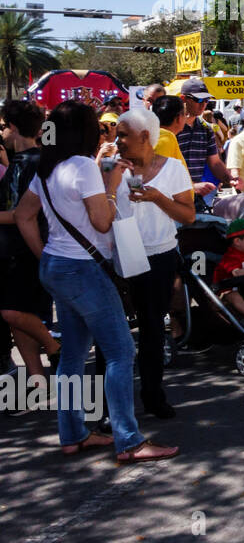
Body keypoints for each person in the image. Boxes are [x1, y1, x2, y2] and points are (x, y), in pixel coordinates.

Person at [13, 101, 178, 462]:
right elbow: (102, 222)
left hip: (57, 267)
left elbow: (24, 216)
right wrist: (111, 183)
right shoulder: (85, 167)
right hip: (83, 270)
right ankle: (129, 441)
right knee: (121, 351)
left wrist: (47, 255)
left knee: (73, 355)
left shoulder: (46, 168)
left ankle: (72, 433)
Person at [112, 107, 196, 418]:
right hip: (120, 254)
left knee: (151, 329)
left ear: (145, 137)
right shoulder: (111, 167)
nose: (117, 141)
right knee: (116, 332)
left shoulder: (173, 167)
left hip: (159, 256)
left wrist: (157, 197)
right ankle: (110, 408)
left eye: (124, 135)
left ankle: (152, 396)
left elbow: (188, 215)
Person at [0, 100, 59, 388]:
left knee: (11, 312)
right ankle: (37, 382)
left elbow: (22, 214)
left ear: (12, 127)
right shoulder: (21, 161)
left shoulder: (35, 162)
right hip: (14, 250)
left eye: (3, 127)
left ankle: (54, 348)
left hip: (27, 250)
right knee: (17, 318)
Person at [176, 78, 232, 206]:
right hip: (169, 196)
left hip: (194, 197)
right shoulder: (170, 127)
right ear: (183, 98)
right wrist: (191, 186)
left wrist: (230, 179)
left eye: (206, 100)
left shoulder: (206, 129)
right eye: (199, 100)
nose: (203, 104)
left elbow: (215, 162)